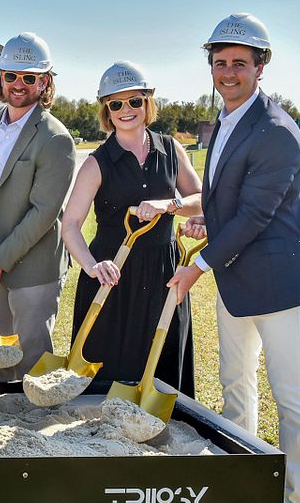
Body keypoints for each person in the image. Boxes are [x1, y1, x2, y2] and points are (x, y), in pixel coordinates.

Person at [169, 13, 300, 503]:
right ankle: (247, 480)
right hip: (236, 281)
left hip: (279, 285)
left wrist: (198, 264)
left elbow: (259, 216)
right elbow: (237, 203)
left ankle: (293, 501)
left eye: (239, 63)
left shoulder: (277, 130)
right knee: (236, 387)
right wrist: (207, 219)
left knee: (290, 393)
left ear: (261, 66)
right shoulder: (228, 119)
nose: (227, 72)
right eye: (219, 63)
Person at [60, 61, 202, 393]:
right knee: (108, 378)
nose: (127, 109)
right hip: (112, 275)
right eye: (116, 103)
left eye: (135, 101)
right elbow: (71, 224)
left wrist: (170, 206)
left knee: (162, 375)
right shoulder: (97, 162)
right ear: (106, 110)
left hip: (164, 274)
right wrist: (93, 266)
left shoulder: (170, 149)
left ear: (148, 102)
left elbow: (202, 198)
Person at [0, 32, 77, 379]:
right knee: (4, 356)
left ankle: (32, 429)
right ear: (0, 76)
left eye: (29, 77)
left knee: (32, 362)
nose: (18, 84)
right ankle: (4, 419)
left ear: (44, 81)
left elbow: (43, 213)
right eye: (11, 75)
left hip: (34, 267)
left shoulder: (55, 138)